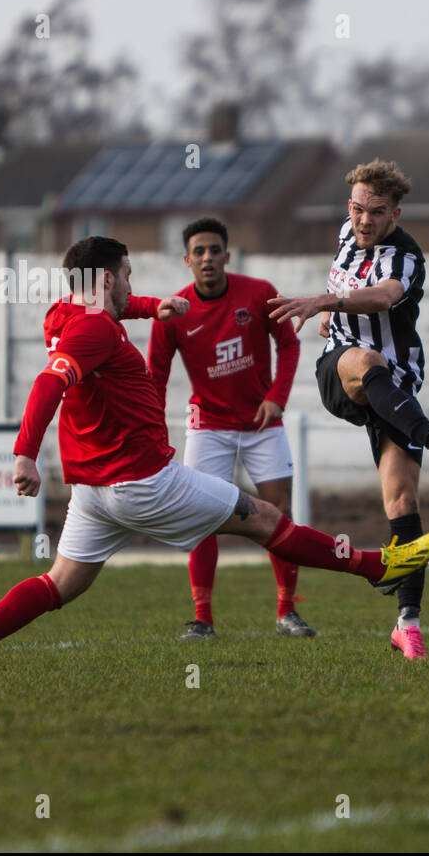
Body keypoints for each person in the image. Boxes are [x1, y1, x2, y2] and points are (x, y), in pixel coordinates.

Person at [0, 236, 429, 671]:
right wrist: (24, 453)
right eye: (125, 276)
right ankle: (378, 567)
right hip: (144, 482)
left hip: (92, 492)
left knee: (57, 584)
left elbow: (104, 320)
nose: (129, 284)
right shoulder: (94, 328)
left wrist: (152, 306)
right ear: (102, 281)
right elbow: (48, 383)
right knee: (264, 518)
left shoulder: (63, 314)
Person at [269, 159, 429, 660]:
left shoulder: (406, 254)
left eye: (376, 212)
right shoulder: (347, 235)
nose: (363, 220)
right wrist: (330, 320)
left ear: (395, 214)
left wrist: (326, 304)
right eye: (356, 208)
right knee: (364, 358)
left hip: (394, 385)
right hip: (342, 372)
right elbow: (351, 299)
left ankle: (406, 626)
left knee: (403, 505)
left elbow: (385, 296)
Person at [149, 218, 311, 641]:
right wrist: (151, 431)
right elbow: (156, 377)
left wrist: (277, 395)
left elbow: (290, 343)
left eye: (214, 250)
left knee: (279, 514)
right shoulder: (173, 314)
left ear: (227, 255)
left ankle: (287, 612)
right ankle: (203, 619)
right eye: (198, 251)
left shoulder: (258, 293)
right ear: (187, 260)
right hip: (209, 427)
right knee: (201, 517)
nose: (207, 258)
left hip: (262, 423)